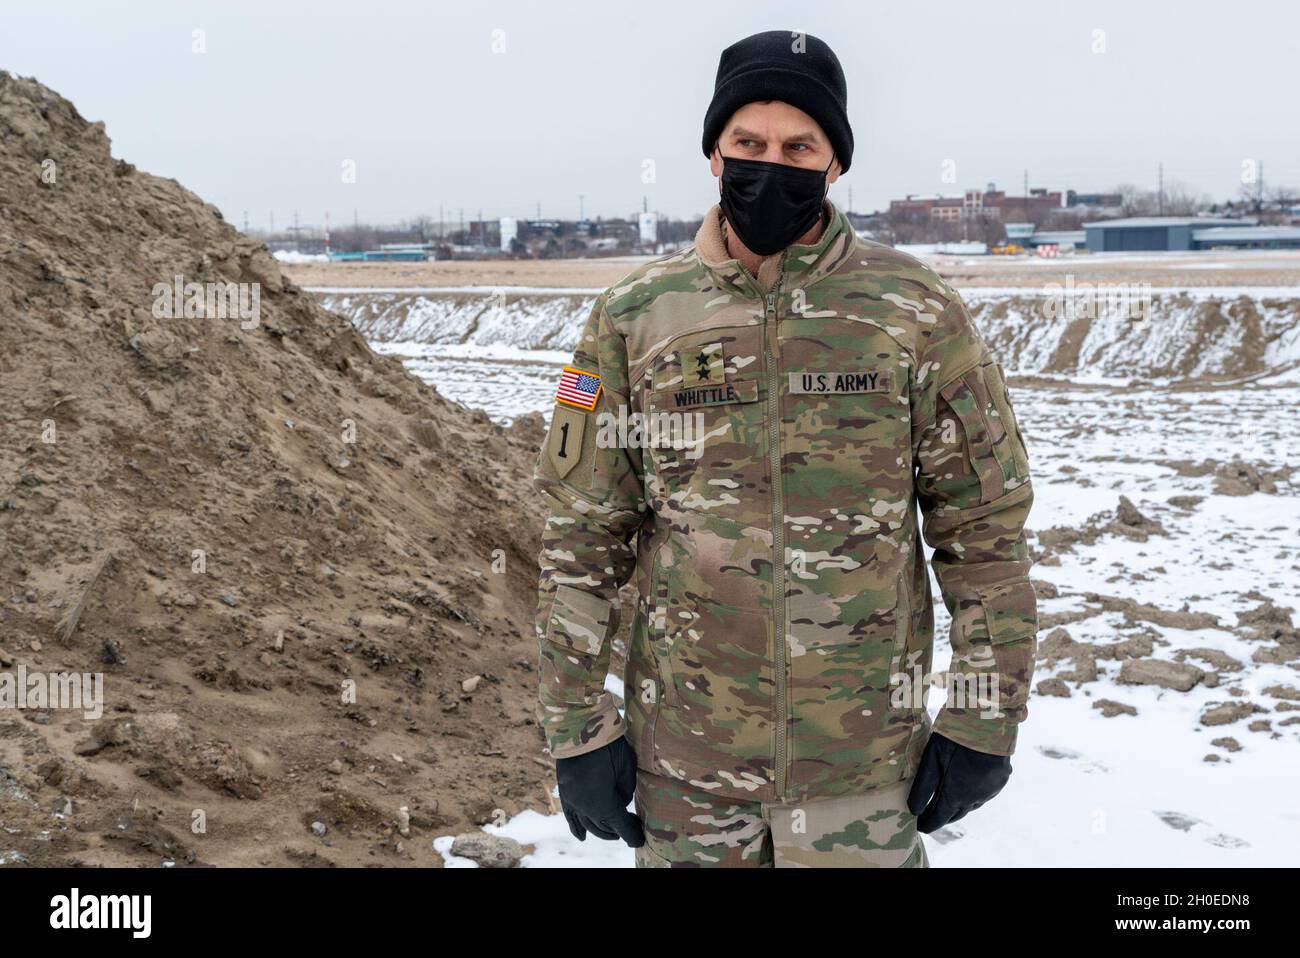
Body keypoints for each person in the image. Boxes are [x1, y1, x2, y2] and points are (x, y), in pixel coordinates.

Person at [533, 29, 1037, 867]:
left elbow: (983, 530)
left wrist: (985, 718)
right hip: (687, 769)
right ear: (713, 154)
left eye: (799, 145)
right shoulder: (635, 316)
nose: (773, 164)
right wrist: (577, 727)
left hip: (866, 770)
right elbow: (582, 535)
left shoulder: (912, 309)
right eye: (749, 144)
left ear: (835, 162)